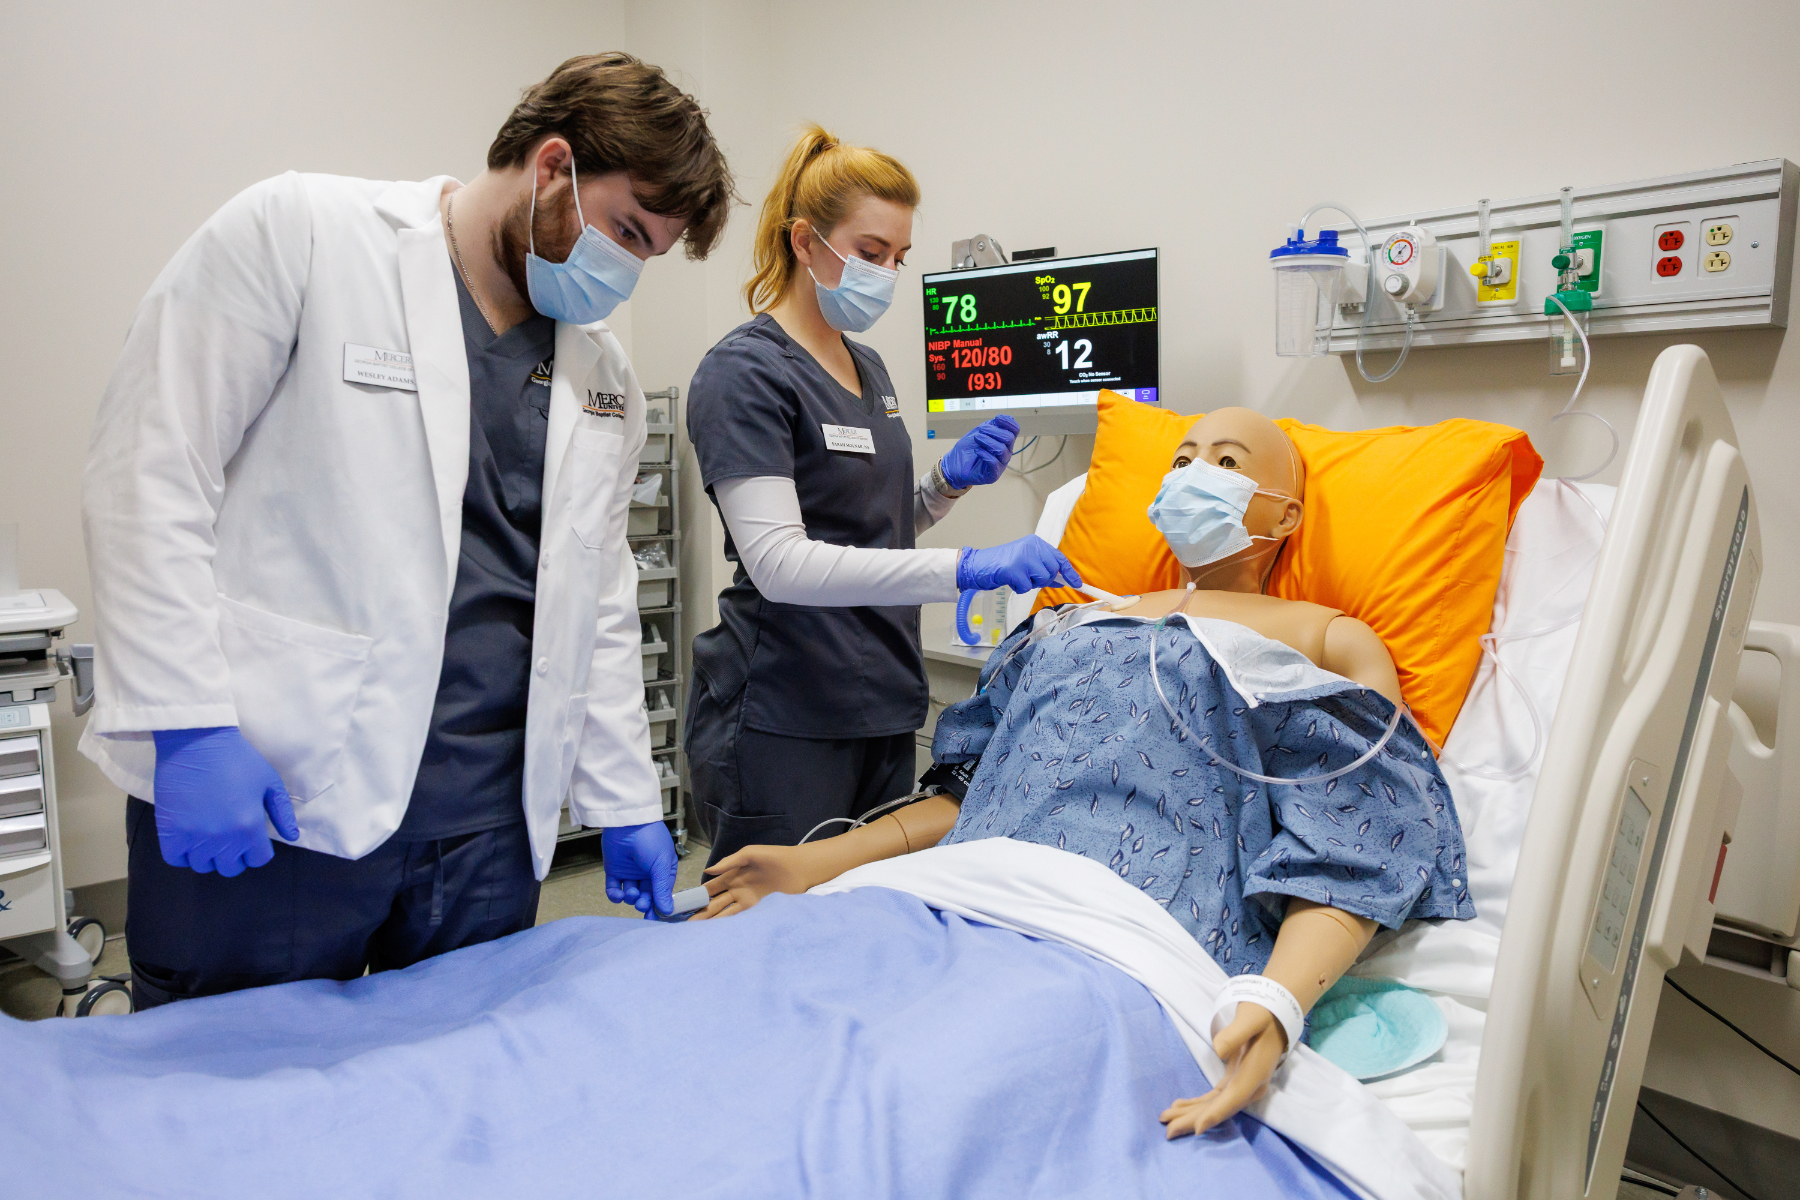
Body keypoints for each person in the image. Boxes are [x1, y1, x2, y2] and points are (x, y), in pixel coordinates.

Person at [81, 53, 736, 1008]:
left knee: (451, 1101)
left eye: (650, 253)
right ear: (553, 166)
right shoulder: (304, 234)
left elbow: (594, 599)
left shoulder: (604, 380)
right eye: (626, 231)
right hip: (279, 802)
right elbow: (148, 467)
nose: (625, 274)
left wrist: (628, 798)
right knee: (234, 1110)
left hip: (484, 835)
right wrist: (187, 727)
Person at [693, 407, 1474, 1139]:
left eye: (1226, 461)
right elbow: (966, 788)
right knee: (744, 1022)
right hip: (956, 893)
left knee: (907, 1097)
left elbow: (1362, 830)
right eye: (1182, 457)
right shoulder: (1076, 617)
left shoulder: (1326, 639)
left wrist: (1275, 1000)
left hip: (1117, 933)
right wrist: (812, 862)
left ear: (1286, 517)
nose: (1193, 471)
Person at [684, 126, 1082, 867]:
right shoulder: (745, 374)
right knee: (769, 928)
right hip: (786, 710)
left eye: (898, 258)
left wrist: (942, 486)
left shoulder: (867, 368)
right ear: (805, 242)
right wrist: (965, 567)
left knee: (866, 917)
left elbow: (871, 527)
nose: (888, 275)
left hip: (882, 699)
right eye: (870, 254)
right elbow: (782, 563)